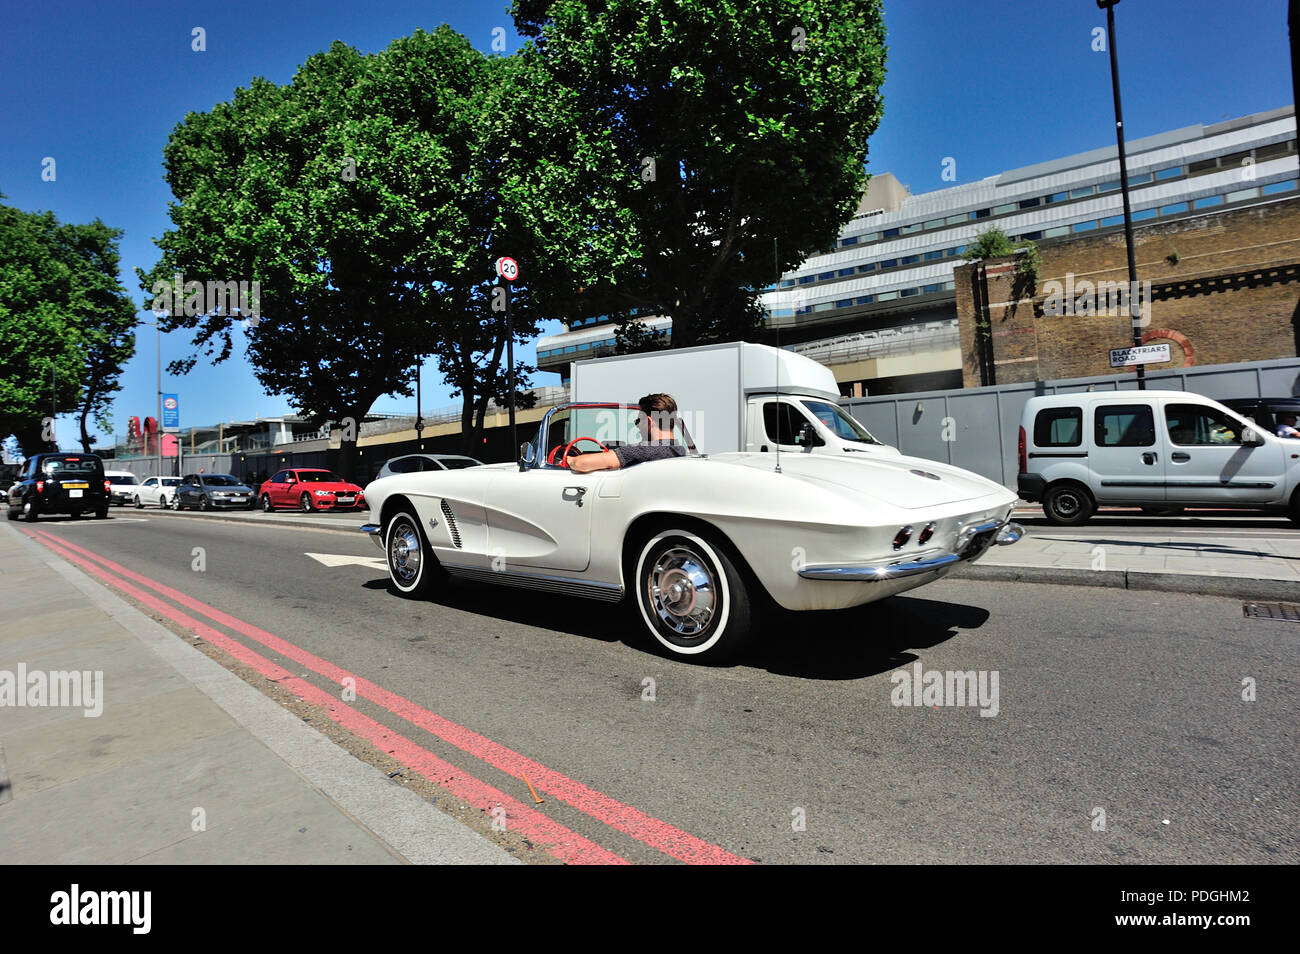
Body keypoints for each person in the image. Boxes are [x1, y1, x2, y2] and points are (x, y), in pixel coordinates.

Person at [568, 393, 686, 473]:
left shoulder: (643, 451)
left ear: (649, 422)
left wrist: (568, 459)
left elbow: (580, 463)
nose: (638, 426)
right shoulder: (680, 451)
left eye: (638, 421)